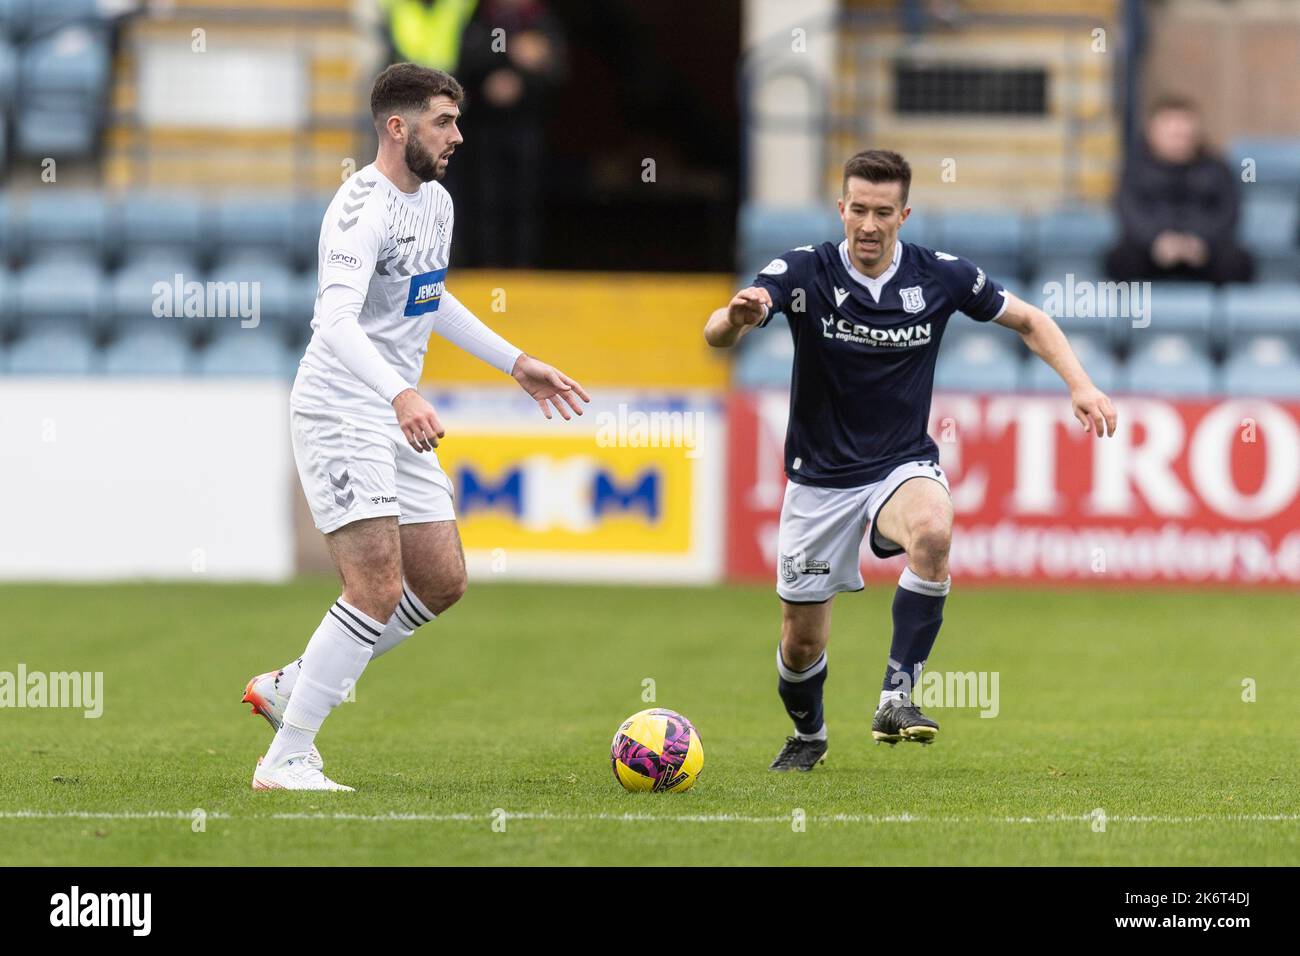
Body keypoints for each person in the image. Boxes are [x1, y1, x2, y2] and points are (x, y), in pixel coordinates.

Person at [704, 149, 1117, 771]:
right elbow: (718, 331)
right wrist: (737, 320)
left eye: (883, 212)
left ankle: (896, 696)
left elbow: (1030, 320)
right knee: (801, 642)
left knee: (934, 529)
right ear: (841, 208)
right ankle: (810, 734)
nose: (869, 225)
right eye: (859, 210)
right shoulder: (804, 270)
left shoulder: (940, 276)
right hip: (819, 481)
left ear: (905, 214)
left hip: (900, 464)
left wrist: (1080, 384)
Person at [241, 63, 589, 791]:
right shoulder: (358, 209)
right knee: (373, 587)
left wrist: (513, 361)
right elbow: (333, 321)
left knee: (441, 579)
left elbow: (428, 296)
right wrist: (401, 394)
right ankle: (288, 755)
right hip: (344, 407)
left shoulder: (435, 200)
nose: (458, 135)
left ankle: (292, 684)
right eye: (443, 121)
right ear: (397, 128)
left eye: (457, 120)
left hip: (392, 408)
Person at [1105, 96, 1254, 284]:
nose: (1179, 140)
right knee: (1121, 260)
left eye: (1184, 134)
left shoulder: (1217, 168)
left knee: (1237, 262)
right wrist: (1157, 241)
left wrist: (1199, 241)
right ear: (1152, 133)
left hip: (1204, 252)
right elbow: (1129, 211)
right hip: (1151, 252)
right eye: (1172, 134)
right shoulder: (1135, 169)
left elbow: (1227, 212)